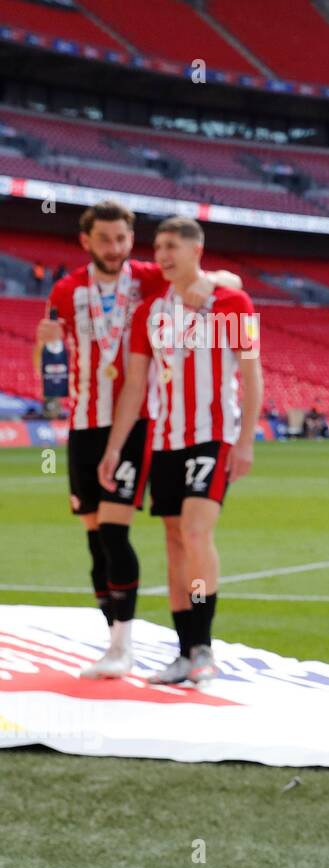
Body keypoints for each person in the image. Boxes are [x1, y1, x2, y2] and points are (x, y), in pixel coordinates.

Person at [34, 200, 238, 678]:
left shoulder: (148, 278)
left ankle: (128, 646)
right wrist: (44, 344)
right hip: (85, 424)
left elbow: (213, 278)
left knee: (115, 530)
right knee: (94, 541)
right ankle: (115, 642)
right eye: (104, 239)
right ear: (85, 241)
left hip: (135, 424)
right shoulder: (65, 291)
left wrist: (221, 283)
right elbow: (50, 372)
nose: (115, 248)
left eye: (122, 238)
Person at [98, 216, 262, 685]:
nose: (163, 255)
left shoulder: (232, 302)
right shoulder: (150, 310)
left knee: (194, 530)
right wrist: (115, 448)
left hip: (212, 436)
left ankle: (203, 646)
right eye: (159, 247)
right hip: (164, 439)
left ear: (197, 249)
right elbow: (134, 386)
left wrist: (246, 440)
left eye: (173, 246)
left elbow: (251, 375)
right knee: (173, 540)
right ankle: (185, 650)